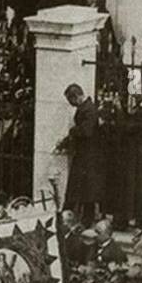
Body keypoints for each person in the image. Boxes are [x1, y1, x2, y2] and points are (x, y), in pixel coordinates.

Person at [60, 83, 103, 223]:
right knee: (83, 188)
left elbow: (87, 131)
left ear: (76, 96)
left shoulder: (89, 109)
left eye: (70, 100)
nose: (71, 104)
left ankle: (81, 217)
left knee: (84, 188)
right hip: (85, 154)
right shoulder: (86, 108)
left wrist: (73, 131)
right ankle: (80, 216)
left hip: (88, 155)